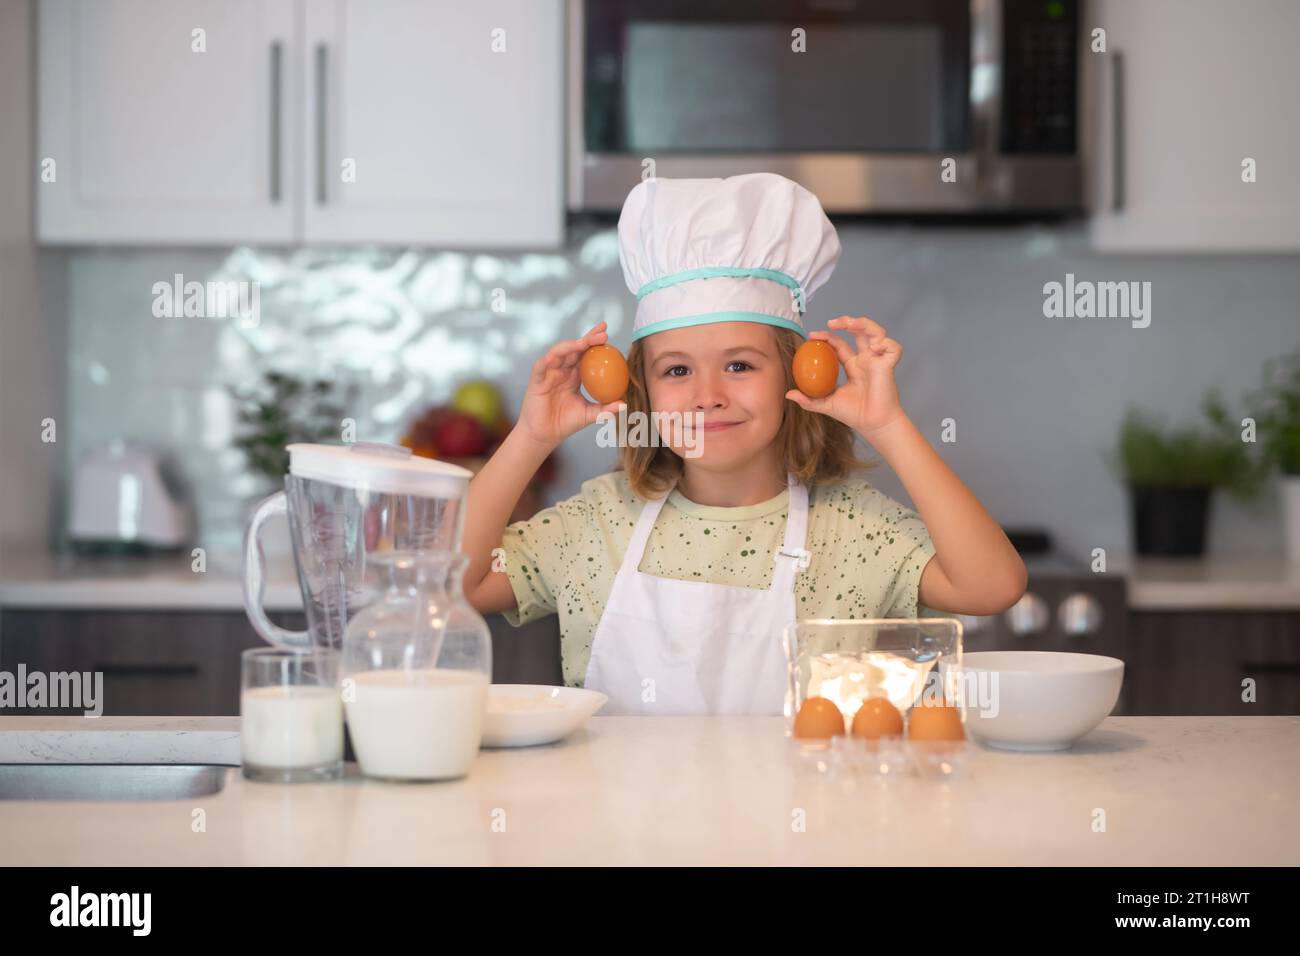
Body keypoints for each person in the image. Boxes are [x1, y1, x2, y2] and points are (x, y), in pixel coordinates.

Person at [463, 172, 1026, 715]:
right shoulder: (596, 524)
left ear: (795, 374)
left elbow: (993, 586)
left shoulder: (855, 530)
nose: (708, 396)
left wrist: (888, 425)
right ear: (642, 391)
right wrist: (531, 436)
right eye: (677, 370)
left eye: (739, 365)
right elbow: (456, 585)